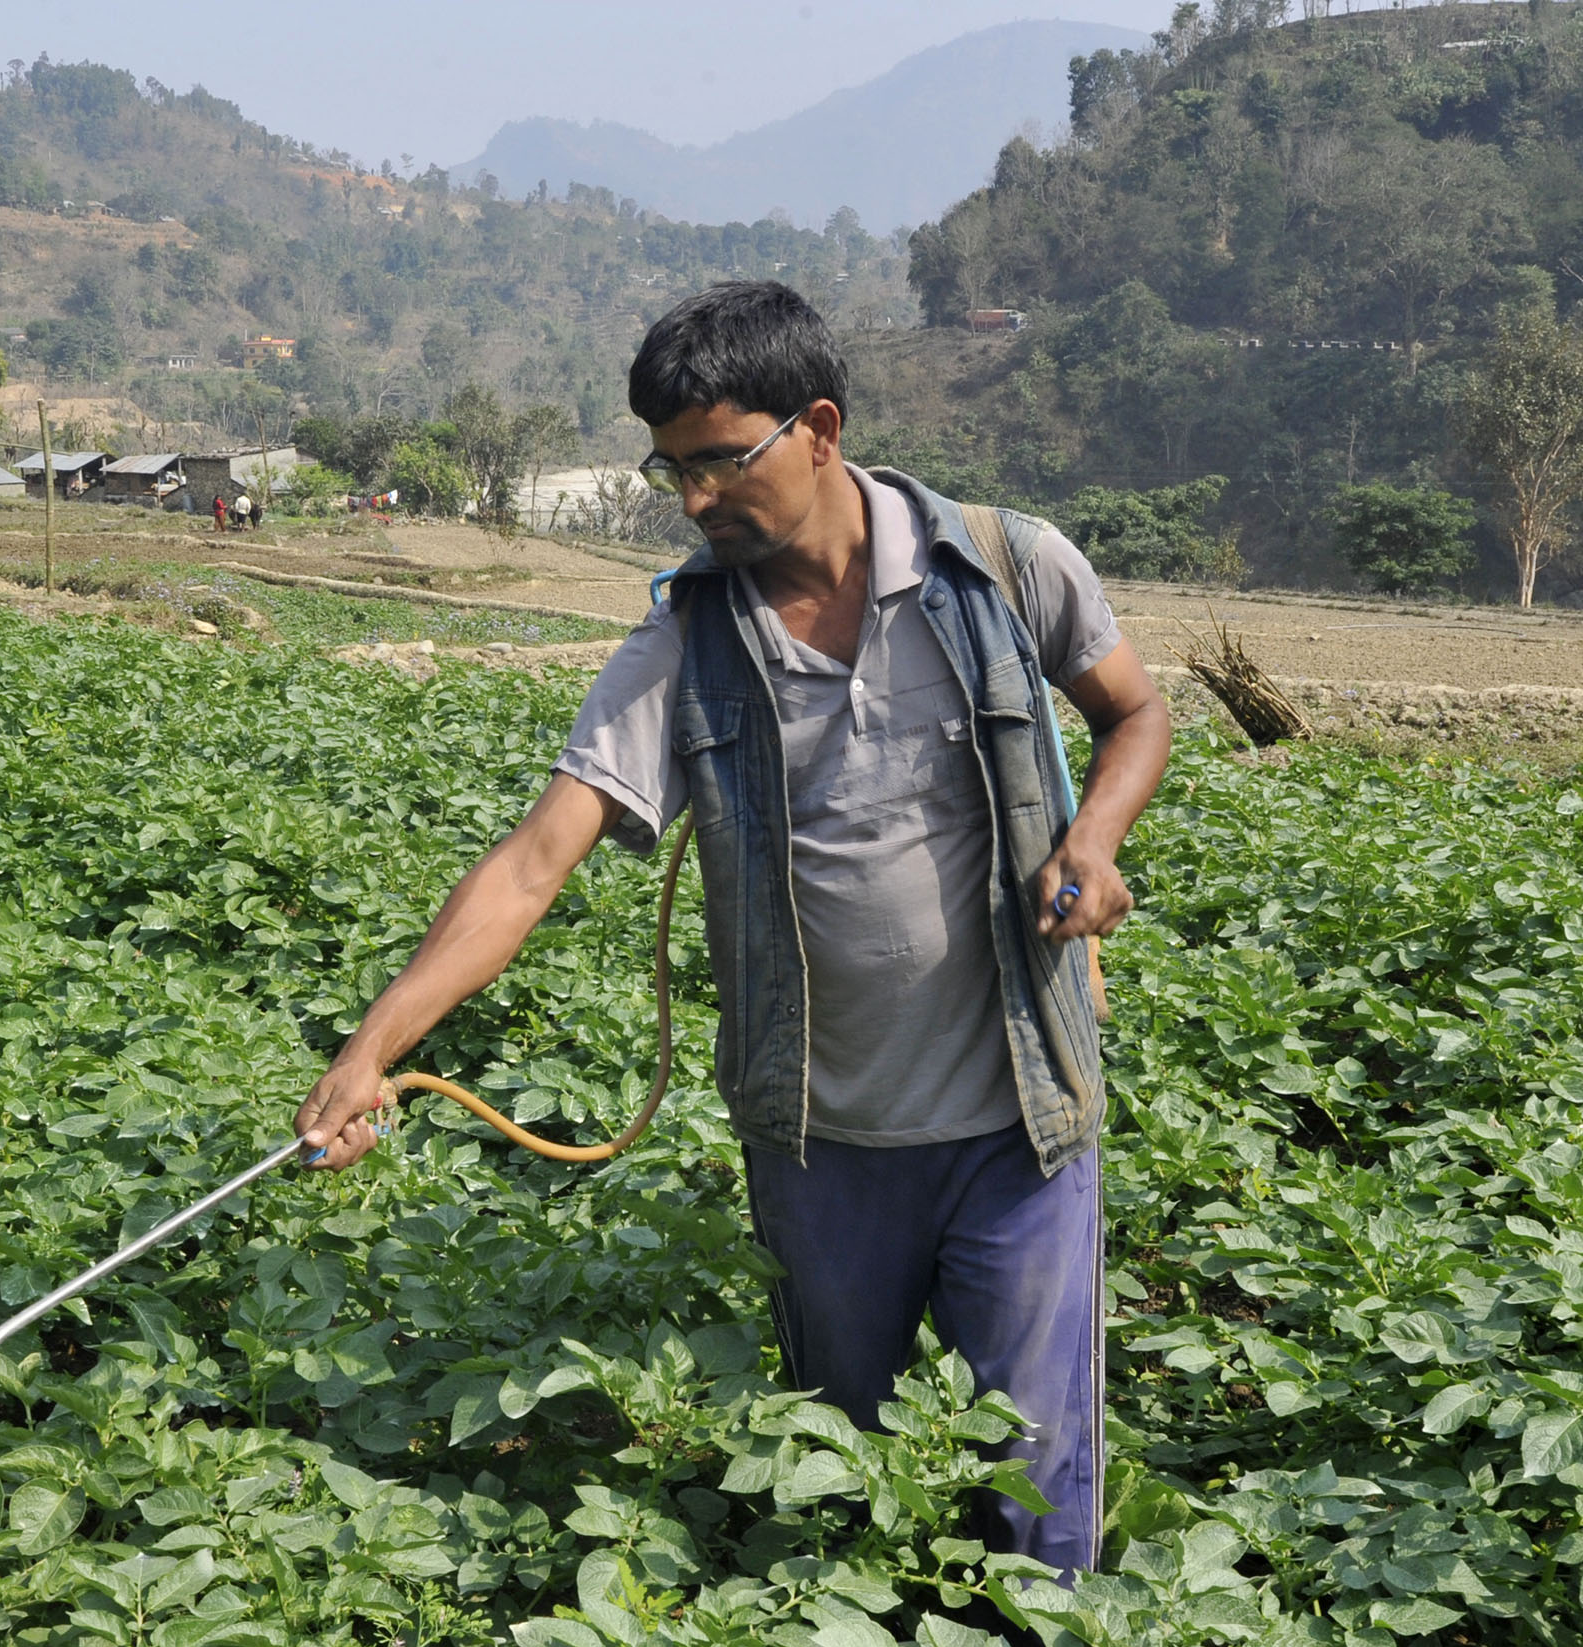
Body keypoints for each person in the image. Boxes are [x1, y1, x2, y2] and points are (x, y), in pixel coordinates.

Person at [295, 281, 1170, 1574]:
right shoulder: (685, 649)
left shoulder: (1004, 564)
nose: (696, 501)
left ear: (817, 427)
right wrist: (375, 1046)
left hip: (1019, 1127)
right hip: (822, 1148)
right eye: (672, 470)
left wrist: (1092, 846)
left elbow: (1133, 715)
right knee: (849, 1481)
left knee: (1035, 1494)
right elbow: (534, 865)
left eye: (720, 463)